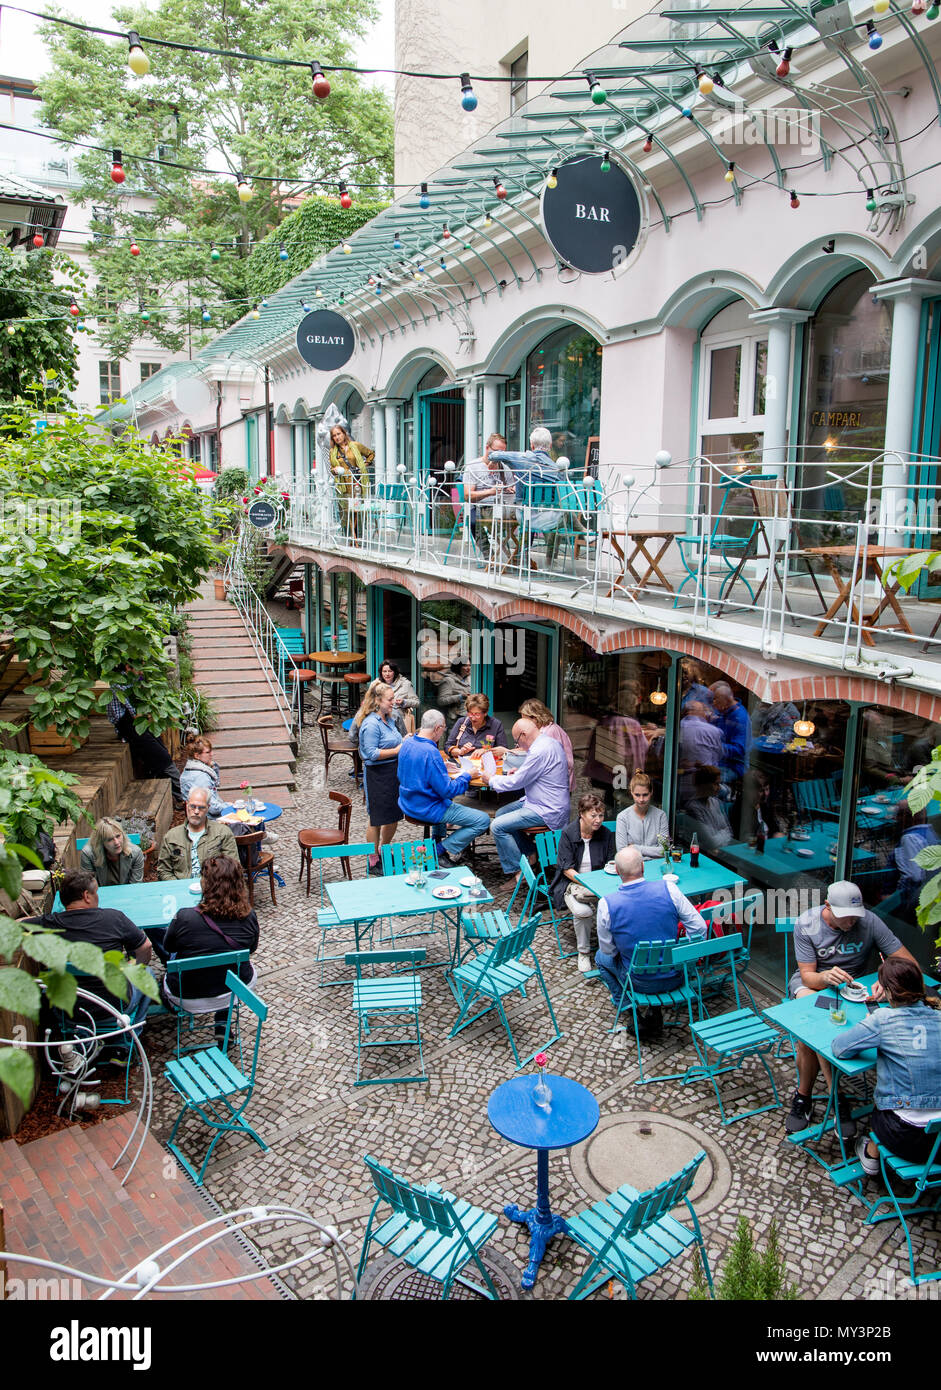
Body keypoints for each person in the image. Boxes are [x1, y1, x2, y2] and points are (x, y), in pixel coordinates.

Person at [784, 880, 918, 1137]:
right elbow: (808, 976)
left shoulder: (869, 921)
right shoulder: (807, 923)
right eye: (845, 916)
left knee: (810, 1040)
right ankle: (838, 1098)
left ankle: (804, 1097)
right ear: (827, 906)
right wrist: (825, 978)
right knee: (816, 1027)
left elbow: (907, 963)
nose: (852, 922)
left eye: (855, 916)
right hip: (812, 986)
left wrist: (886, 977)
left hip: (853, 991)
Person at [832, 956, 941, 1175]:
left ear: (889, 992)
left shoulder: (883, 1018)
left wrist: (870, 1025)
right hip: (939, 1143)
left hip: (904, 1136)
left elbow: (839, 1048)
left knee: (882, 1100)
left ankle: (871, 1157)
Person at [595, 847, 707, 1038]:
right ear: (643, 867)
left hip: (639, 982)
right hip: (677, 976)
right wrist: (684, 956)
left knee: (599, 958)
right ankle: (654, 1011)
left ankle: (630, 1008)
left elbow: (608, 950)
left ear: (618, 873)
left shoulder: (606, 904)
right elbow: (699, 928)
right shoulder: (669, 888)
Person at [30, 869, 153, 1028]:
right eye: (96, 892)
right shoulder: (114, 918)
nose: (98, 897)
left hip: (69, 1012)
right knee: (147, 973)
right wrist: (133, 967)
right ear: (86, 896)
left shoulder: (50, 924)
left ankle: (74, 1037)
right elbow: (146, 946)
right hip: (115, 1007)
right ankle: (131, 1033)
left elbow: (17, 925)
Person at [161, 855, 260, 1038]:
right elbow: (251, 949)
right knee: (229, 965)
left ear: (207, 885)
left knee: (174, 959)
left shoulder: (184, 917)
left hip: (187, 994)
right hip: (233, 990)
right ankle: (223, 1023)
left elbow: (168, 946)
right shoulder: (249, 916)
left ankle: (170, 1006)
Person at [397, 709, 491, 866]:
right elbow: (448, 791)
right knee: (483, 820)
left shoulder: (407, 743)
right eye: (444, 729)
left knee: (446, 802)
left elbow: (407, 773)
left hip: (408, 803)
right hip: (428, 808)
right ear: (437, 728)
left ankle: (436, 843)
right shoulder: (431, 751)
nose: (443, 733)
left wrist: (441, 767)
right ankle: (438, 850)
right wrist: (467, 776)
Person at [481, 717, 571, 877]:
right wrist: (520, 772)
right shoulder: (547, 742)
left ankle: (519, 872)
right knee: (501, 813)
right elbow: (533, 773)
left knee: (497, 826)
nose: (518, 746)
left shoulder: (539, 750)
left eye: (517, 741)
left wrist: (491, 780)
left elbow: (517, 782)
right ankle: (531, 852)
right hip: (539, 801)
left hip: (547, 809)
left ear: (523, 734)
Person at [551, 793, 616, 973]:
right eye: (593, 815)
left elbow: (610, 862)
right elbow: (566, 869)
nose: (598, 820)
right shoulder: (569, 833)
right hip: (573, 883)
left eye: (601, 815)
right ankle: (584, 953)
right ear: (582, 814)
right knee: (583, 912)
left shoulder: (606, 834)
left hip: (600, 883)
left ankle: (612, 950)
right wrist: (586, 883)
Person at [488, 426, 564, 562]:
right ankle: (550, 560)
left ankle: (521, 557)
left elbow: (493, 455)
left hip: (524, 515)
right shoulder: (557, 467)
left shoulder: (521, 458)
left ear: (532, 445)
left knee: (526, 515)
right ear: (551, 445)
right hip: (550, 518)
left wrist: (494, 461)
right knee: (554, 517)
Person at [107, 669, 181, 799]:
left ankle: (177, 793)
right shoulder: (118, 683)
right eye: (139, 665)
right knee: (161, 755)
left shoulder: (137, 678)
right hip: (127, 726)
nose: (142, 669)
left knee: (160, 748)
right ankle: (182, 795)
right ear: (128, 667)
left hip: (139, 723)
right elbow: (136, 714)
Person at [357, 678, 403, 872]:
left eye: (393, 699)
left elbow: (395, 741)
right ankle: (373, 858)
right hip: (377, 774)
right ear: (377, 701)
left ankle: (384, 849)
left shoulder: (390, 719)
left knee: (393, 815)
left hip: (393, 772)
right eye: (389, 700)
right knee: (376, 817)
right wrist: (397, 750)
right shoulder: (371, 724)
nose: (393, 702)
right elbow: (371, 754)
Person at [157, 787, 240, 881]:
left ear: (208, 808)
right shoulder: (171, 836)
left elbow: (233, 867)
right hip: (180, 889)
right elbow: (163, 870)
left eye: (201, 808)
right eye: (193, 806)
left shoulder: (223, 833)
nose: (196, 811)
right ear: (187, 805)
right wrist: (178, 887)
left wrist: (213, 886)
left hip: (214, 889)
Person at [462, 431, 513, 557]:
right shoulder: (473, 467)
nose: (499, 456)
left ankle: (515, 557)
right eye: (496, 452)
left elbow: (511, 488)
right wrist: (490, 492)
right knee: (474, 522)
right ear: (487, 448)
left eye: (502, 453)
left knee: (523, 519)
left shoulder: (504, 468)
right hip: (478, 507)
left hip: (500, 507)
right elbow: (468, 496)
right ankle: (489, 555)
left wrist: (510, 490)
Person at [518, 698, 575, 792]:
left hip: (556, 786)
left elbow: (537, 756)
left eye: (525, 719)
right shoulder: (545, 729)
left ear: (535, 718)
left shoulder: (549, 732)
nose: (523, 723)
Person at [330, 423, 375, 536]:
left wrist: (364, 465)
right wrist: (334, 470)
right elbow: (331, 469)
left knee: (357, 510)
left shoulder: (355, 445)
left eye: (339, 434)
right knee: (345, 512)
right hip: (343, 485)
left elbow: (371, 454)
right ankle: (348, 537)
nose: (337, 437)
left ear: (344, 434)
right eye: (334, 435)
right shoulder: (333, 452)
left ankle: (358, 537)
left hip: (356, 483)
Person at [894, 806, 940, 913]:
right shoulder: (931, 831)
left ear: (908, 818)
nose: (895, 818)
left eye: (899, 814)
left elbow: (915, 876)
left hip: (917, 897)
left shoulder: (909, 838)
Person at [676, 766, 732, 852]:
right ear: (704, 785)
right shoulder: (693, 807)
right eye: (716, 784)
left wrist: (718, 836)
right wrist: (721, 834)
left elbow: (729, 832)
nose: (719, 788)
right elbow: (711, 843)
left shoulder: (716, 802)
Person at [615, 771, 669, 857]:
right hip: (632, 865)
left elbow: (664, 850)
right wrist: (653, 850)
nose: (641, 799)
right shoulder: (623, 817)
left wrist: (634, 847)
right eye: (637, 795)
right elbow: (621, 851)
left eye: (645, 795)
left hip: (655, 865)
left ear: (651, 792)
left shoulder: (660, 816)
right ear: (631, 792)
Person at [79, 817, 145, 887]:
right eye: (110, 839)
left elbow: (135, 886)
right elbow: (90, 887)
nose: (116, 842)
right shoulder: (88, 854)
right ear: (101, 842)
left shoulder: (136, 853)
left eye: (118, 836)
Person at [446, 692, 506, 758]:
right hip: (463, 765)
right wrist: (460, 751)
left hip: (485, 766)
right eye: (470, 713)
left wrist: (486, 751)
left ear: (485, 713)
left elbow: (503, 751)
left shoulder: (496, 725)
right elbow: (448, 746)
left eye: (477, 714)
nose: (473, 718)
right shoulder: (461, 722)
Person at [179, 735, 226, 816]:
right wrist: (232, 807)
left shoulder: (190, 769)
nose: (212, 754)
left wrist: (213, 767)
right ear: (197, 756)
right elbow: (213, 808)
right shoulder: (200, 777)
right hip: (207, 819)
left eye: (211, 751)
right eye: (208, 752)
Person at [377, 660, 419, 728]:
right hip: (379, 718)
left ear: (395, 672)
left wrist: (404, 702)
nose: (387, 674)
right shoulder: (376, 683)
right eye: (384, 671)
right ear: (381, 673)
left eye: (390, 671)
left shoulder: (405, 684)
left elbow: (417, 702)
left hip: (397, 720)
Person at [435, 658, 472, 728]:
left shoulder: (470, 679)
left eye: (470, 665)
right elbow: (441, 701)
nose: (468, 668)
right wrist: (460, 697)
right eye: (465, 666)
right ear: (458, 667)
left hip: (468, 717)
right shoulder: (448, 680)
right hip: (454, 720)